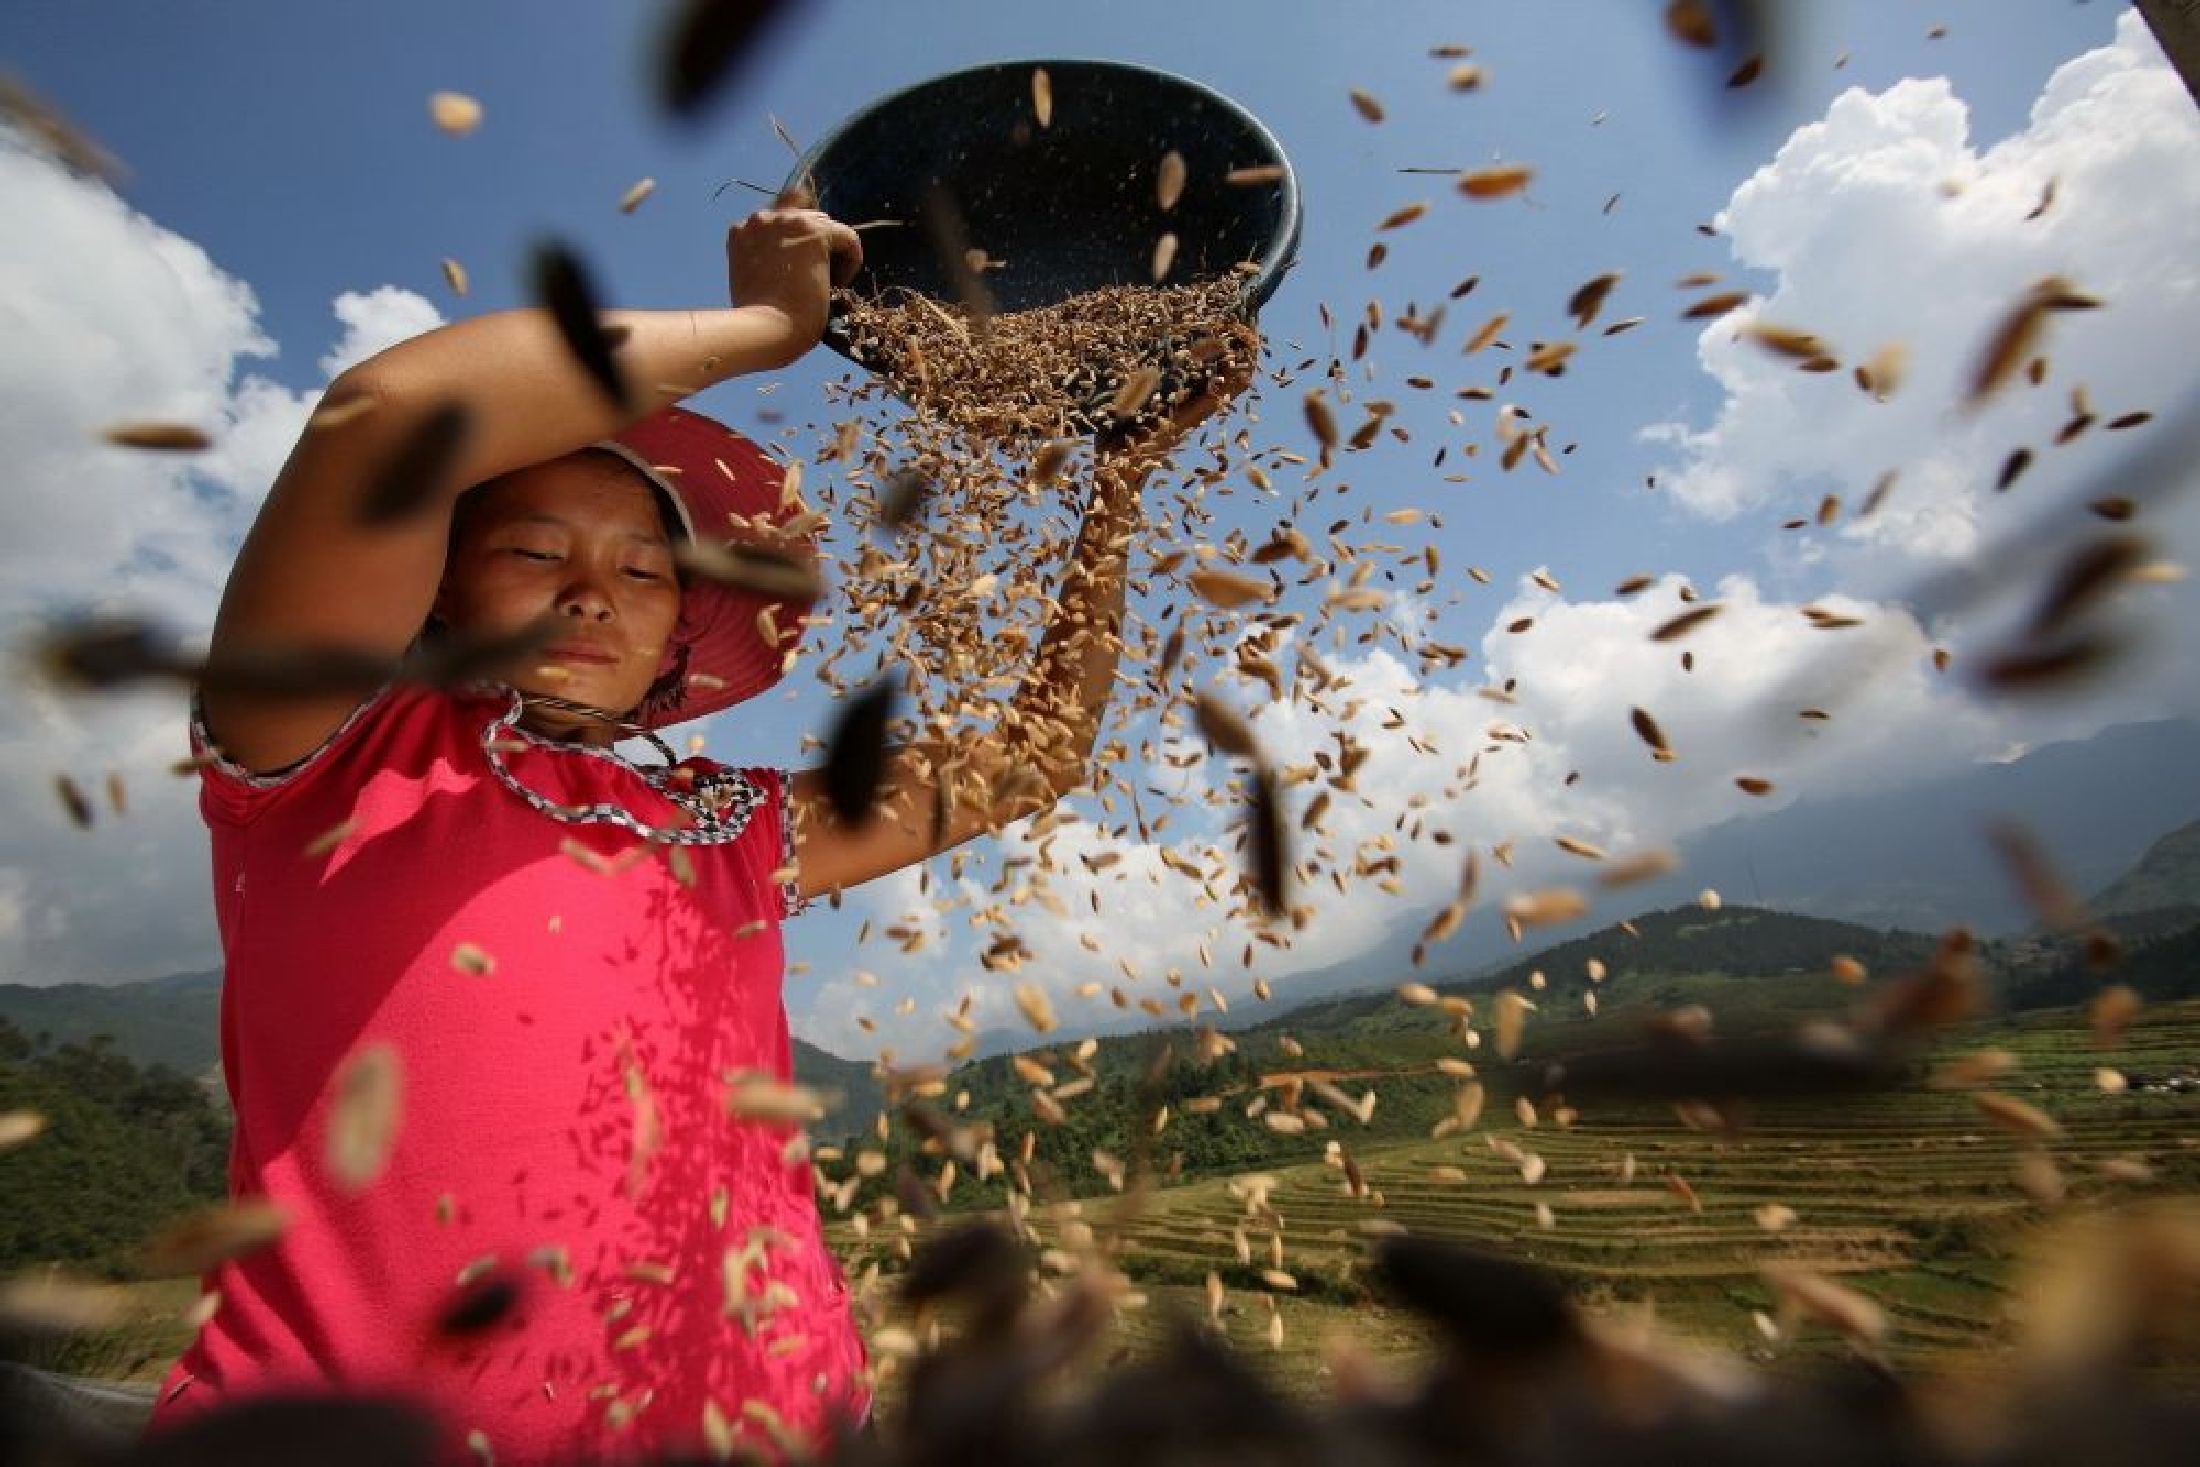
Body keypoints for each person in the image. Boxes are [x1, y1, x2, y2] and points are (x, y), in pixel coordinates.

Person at [142, 204, 1254, 1466]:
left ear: (678, 628)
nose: (588, 596)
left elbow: (1030, 760)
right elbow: (383, 421)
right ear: (438, 589)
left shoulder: (723, 825)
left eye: (641, 572)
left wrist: (1116, 484)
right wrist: (765, 328)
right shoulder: (332, 760)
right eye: (531, 551)